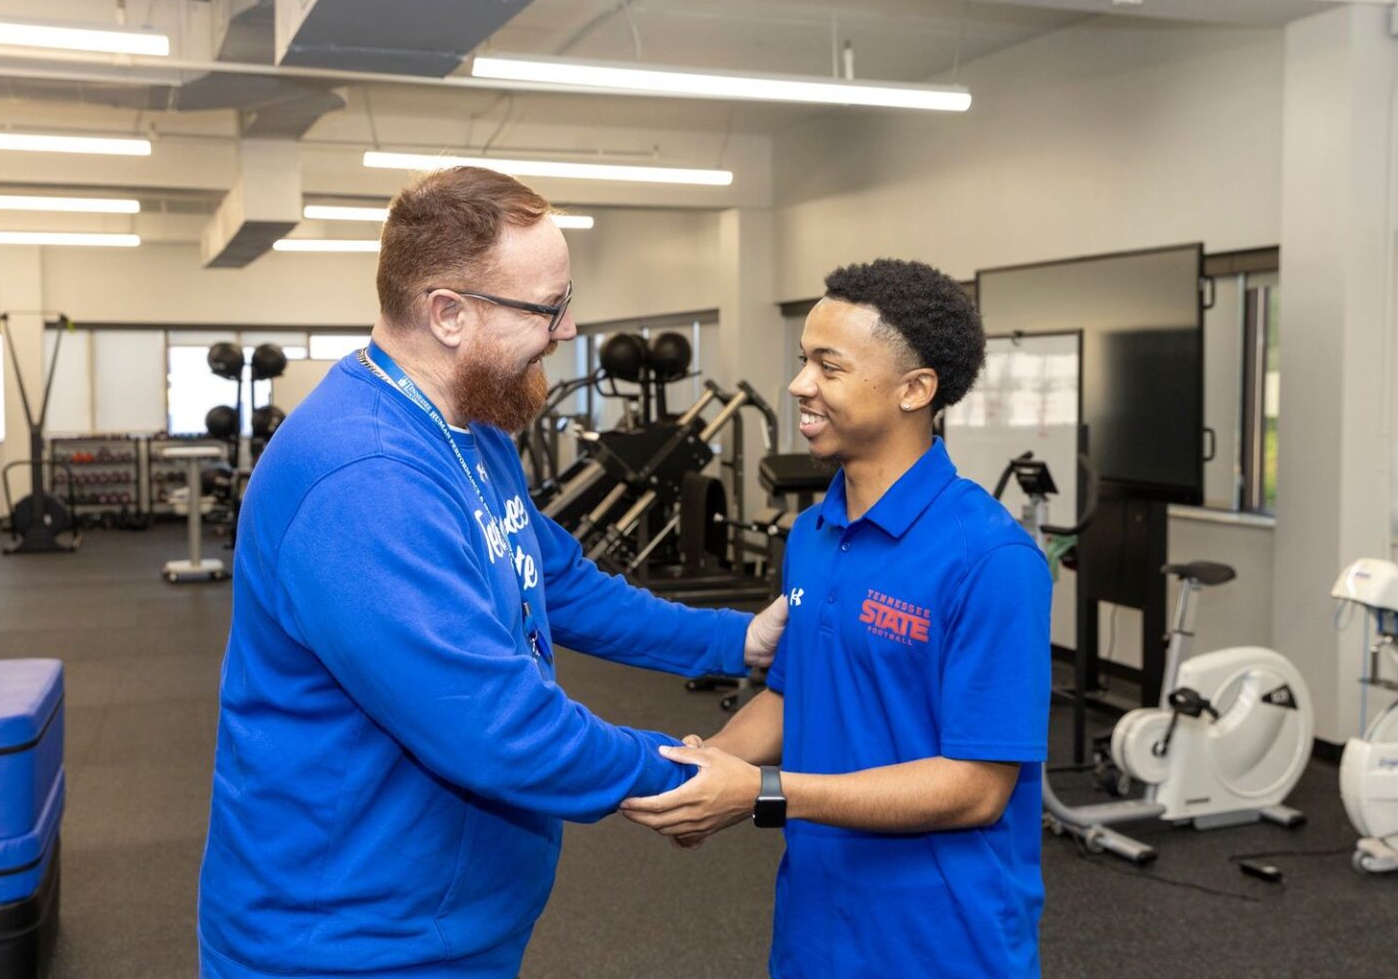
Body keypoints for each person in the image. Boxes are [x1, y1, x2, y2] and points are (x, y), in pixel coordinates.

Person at [197, 166, 786, 979]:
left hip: (455, 919)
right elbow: (496, 726)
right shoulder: (364, 478)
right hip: (346, 946)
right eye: (548, 307)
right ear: (447, 313)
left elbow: (559, 580)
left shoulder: (472, 426)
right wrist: (684, 777)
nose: (569, 327)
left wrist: (737, 640)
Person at [621, 259, 1052, 978]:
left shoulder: (992, 558)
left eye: (829, 365)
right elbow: (794, 696)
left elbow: (978, 787)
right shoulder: (815, 532)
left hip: (942, 941)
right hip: (816, 922)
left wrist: (760, 792)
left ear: (915, 390)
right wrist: (712, 768)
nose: (799, 385)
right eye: (802, 361)